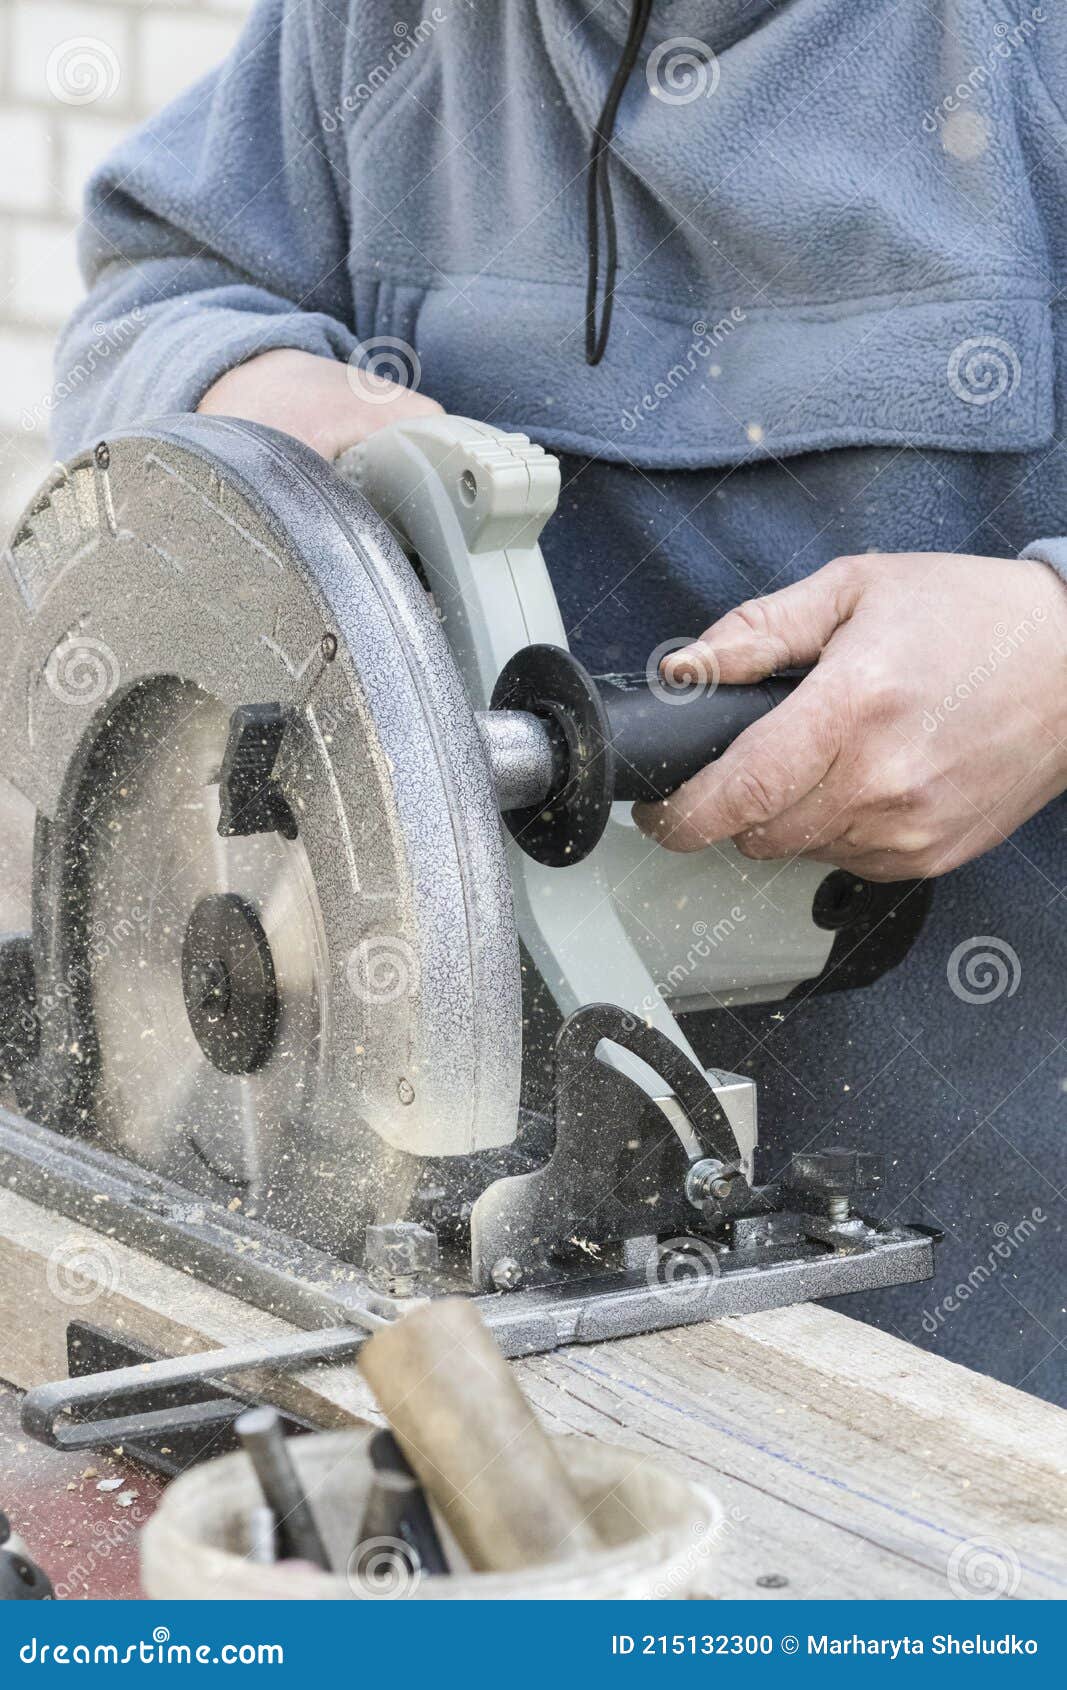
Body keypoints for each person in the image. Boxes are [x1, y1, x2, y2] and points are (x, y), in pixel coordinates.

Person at [52, 1, 1066, 1400]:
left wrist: (1054, 648)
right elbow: (157, 286)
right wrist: (250, 394)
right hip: (426, 1240)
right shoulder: (379, 28)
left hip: (984, 1304)